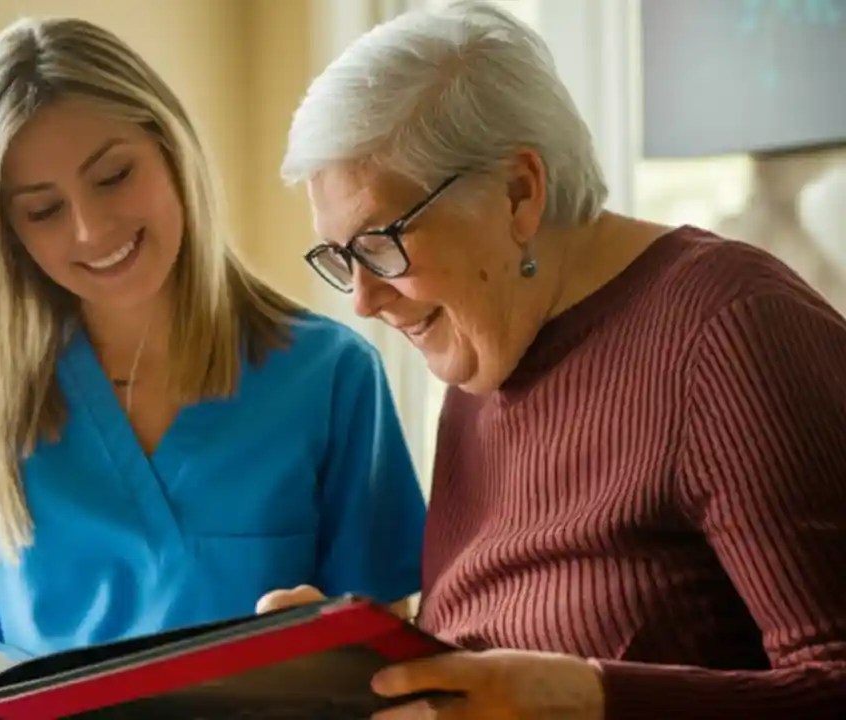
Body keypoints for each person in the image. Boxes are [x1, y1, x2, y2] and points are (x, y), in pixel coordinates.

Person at [259, 2, 846, 718]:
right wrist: (368, 667)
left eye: (382, 242)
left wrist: (593, 698)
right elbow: (504, 644)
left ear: (519, 192)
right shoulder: (487, 355)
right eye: (341, 256)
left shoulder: (730, 331)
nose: (363, 299)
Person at [0, 15, 427, 720]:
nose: (91, 229)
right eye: (43, 210)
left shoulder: (331, 379)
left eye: (114, 176)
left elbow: (388, 671)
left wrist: (328, 655)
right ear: (5, 233)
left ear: (170, 148)